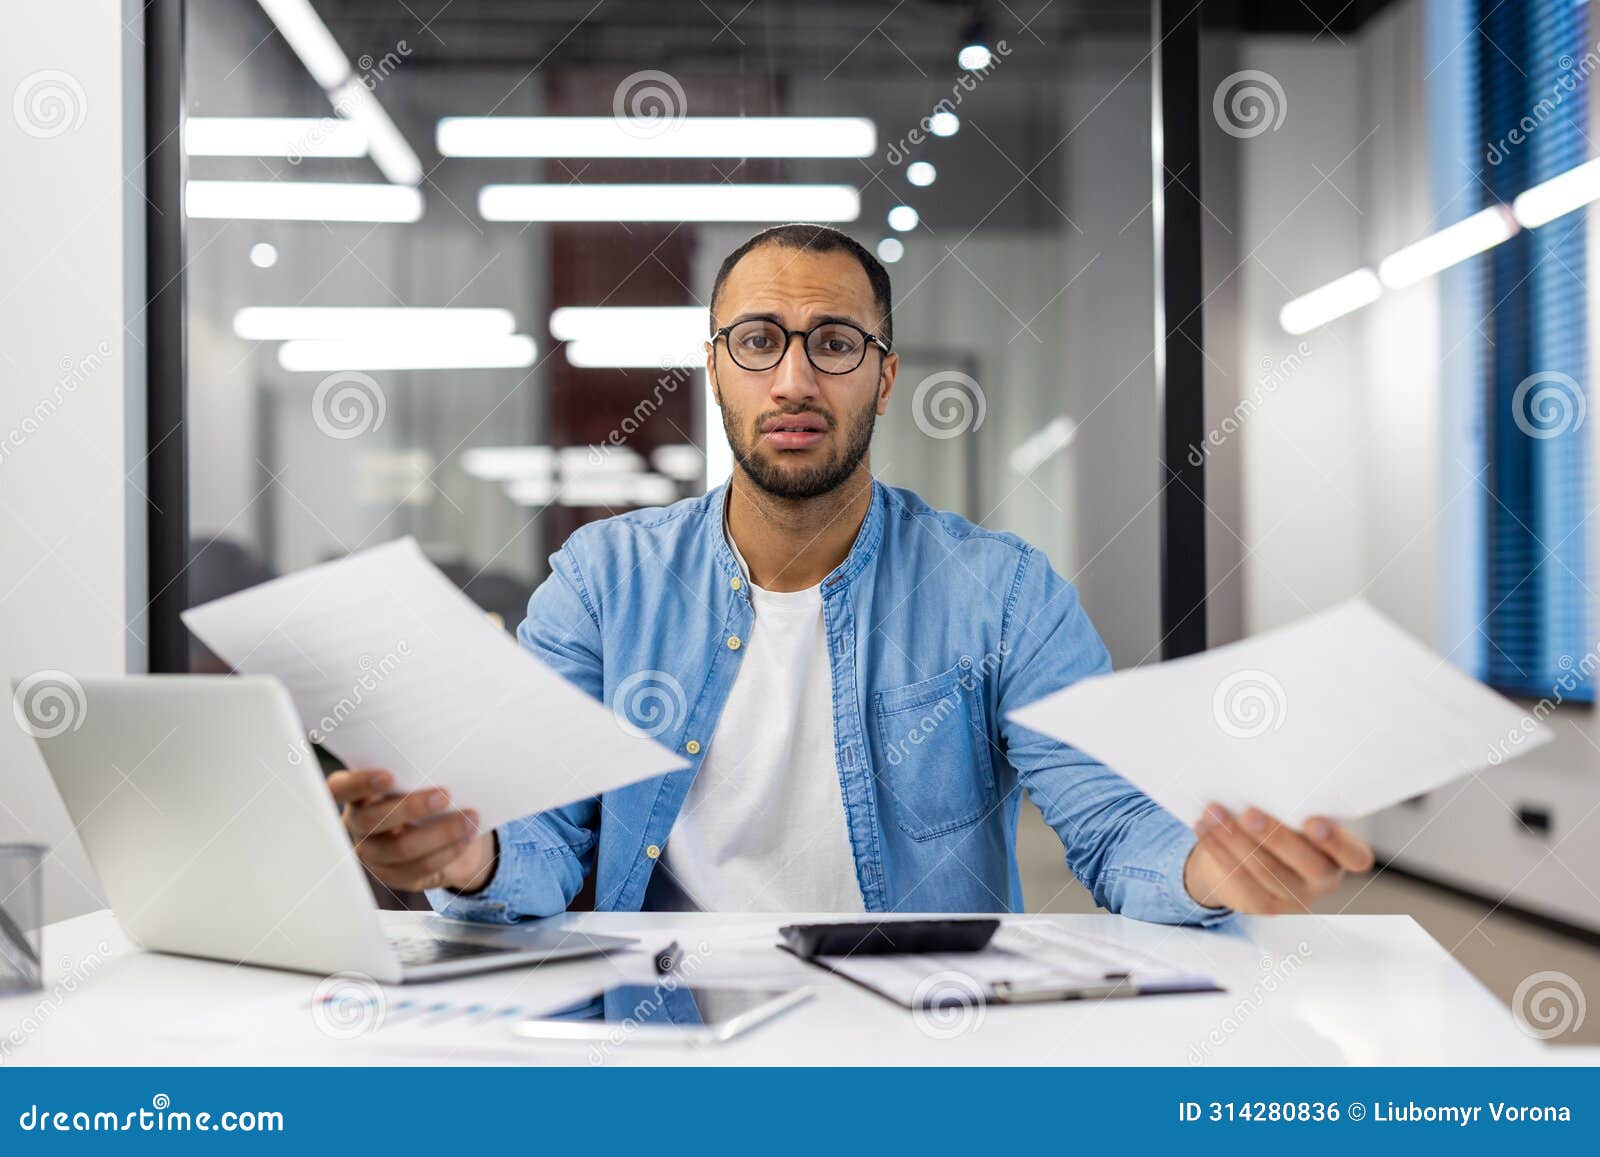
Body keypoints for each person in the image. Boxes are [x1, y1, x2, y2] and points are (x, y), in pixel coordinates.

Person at [327, 223, 1374, 924]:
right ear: (714, 367)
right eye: (757, 340)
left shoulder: (997, 591)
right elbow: (543, 840)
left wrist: (1205, 870)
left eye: (832, 342)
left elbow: (1109, 824)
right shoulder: (603, 581)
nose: (792, 377)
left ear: (883, 374)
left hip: (913, 1040)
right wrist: (463, 858)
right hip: (665, 1030)